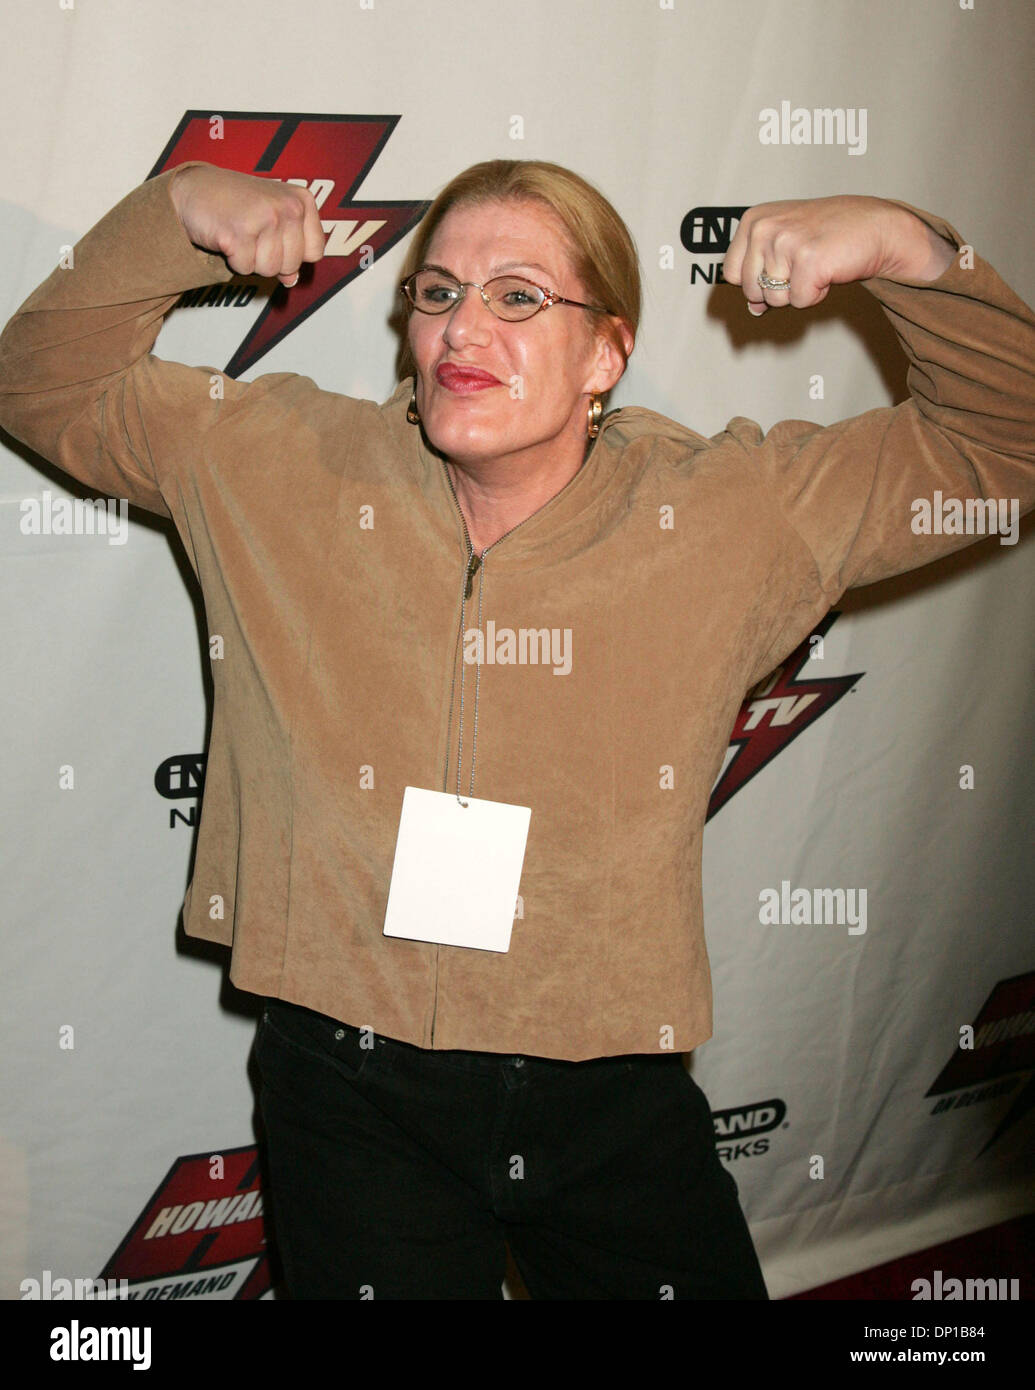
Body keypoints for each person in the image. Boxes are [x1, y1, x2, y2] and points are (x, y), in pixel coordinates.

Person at [1, 158, 1032, 1301]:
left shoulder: (730, 511)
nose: (461, 327)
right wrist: (176, 210)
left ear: (607, 353)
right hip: (349, 1090)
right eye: (437, 292)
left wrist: (909, 250)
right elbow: (41, 384)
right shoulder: (277, 461)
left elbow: (1007, 442)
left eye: (518, 295)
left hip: (609, 1092)